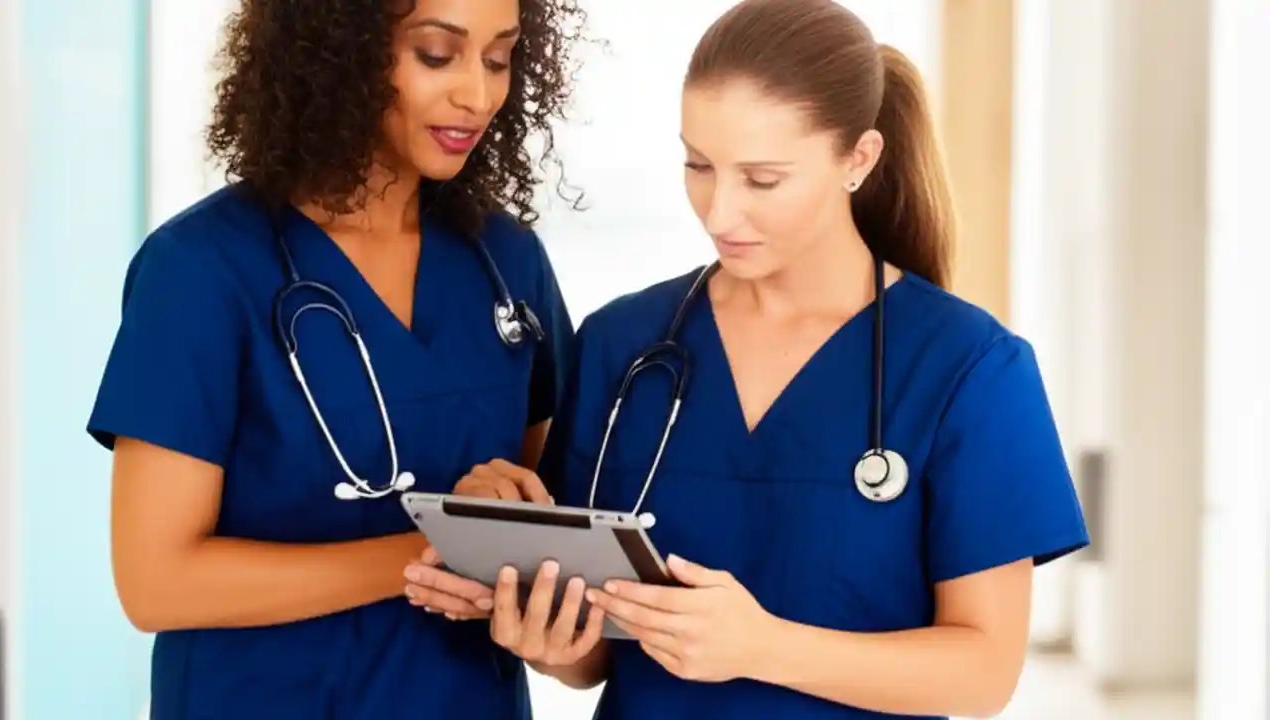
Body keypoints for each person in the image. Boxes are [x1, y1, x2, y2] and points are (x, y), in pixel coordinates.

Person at [409, 0, 1090, 718]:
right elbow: (594, 656)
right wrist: (547, 640)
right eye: (698, 165)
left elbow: (983, 673)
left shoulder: (970, 369)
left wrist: (761, 646)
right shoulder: (625, 346)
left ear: (858, 159)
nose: (719, 212)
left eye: (762, 180)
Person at [84, 0, 586, 717]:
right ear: (336, 49)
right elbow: (156, 581)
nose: (477, 94)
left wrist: (517, 526)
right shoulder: (202, 269)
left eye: (499, 58)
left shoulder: (505, 262)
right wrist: (433, 550)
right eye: (437, 55)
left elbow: (553, 524)